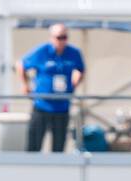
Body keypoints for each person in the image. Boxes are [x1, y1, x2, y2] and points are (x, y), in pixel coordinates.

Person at [17, 24, 84, 154]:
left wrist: (74, 85)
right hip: (42, 105)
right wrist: (25, 85)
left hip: (62, 107)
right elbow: (21, 65)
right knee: (33, 146)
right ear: (52, 38)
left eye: (64, 37)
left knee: (58, 148)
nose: (62, 41)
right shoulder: (42, 51)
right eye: (59, 37)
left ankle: (57, 173)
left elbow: (81, 70)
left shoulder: (74, 53)